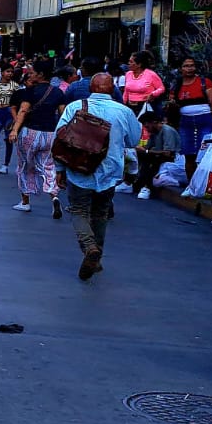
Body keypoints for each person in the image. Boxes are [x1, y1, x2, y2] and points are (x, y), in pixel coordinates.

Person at [56, 73, 143, 280]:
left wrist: (59, 169)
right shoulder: (124, 111)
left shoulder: (75, 107)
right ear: (112, 89)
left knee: (79, 210)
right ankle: (98, 257)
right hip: (110, 171)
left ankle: (89, 248)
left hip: (78, 168)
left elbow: (60, 138)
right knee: (100, 213)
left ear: (91, 88)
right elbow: (132, 141)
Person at [8, 60, 67, 217]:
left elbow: (23, 111)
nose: (30, 74)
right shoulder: (58, 92)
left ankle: (25, 201)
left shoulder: (30, 91)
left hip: (30, 132)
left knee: (25, 166)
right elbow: (63, 114)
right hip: (50, 134)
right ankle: (53, 195)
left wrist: (14, 130)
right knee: (48, 165)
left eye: (33, 72)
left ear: (40, 75)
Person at [170, 57, 212, 182]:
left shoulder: (205, 82)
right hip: (186, 123)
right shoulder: (177, 85)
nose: (189, 68)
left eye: (192, 65)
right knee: (189, 155)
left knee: (204, 154)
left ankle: (204, 185)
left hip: (205, 121)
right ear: (180, 68)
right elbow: (173, 103)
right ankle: (192, 185)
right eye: (186, 66)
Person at [134, 111, 180, 200]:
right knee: (141, 156)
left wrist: (147, 151)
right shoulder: (154, 133)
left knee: (152, 160)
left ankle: (147, 186)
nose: (147, 129)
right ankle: (138, 182)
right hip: (159, 155)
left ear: (154, 122)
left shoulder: (167, 131)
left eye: (147, 126)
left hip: (172, 159)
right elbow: (148, 147)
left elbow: (168, 153)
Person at [0, 64, 20, 174]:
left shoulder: (15, 86)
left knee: (8, 139)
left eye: (11, 72)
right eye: (7, 71)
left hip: (9, 112)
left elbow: (17, 102)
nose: (10, 74)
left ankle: (6, 164)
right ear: (2, 73)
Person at [122, 49, 165, 116]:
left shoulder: (151, 74)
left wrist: (153, 94)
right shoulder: (128, 74)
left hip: (145, 106)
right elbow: (126, 91)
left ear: (139, 64)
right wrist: (123, 104)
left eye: (131, 62)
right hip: (130, 106)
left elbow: (161, 88)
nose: (128, 64)